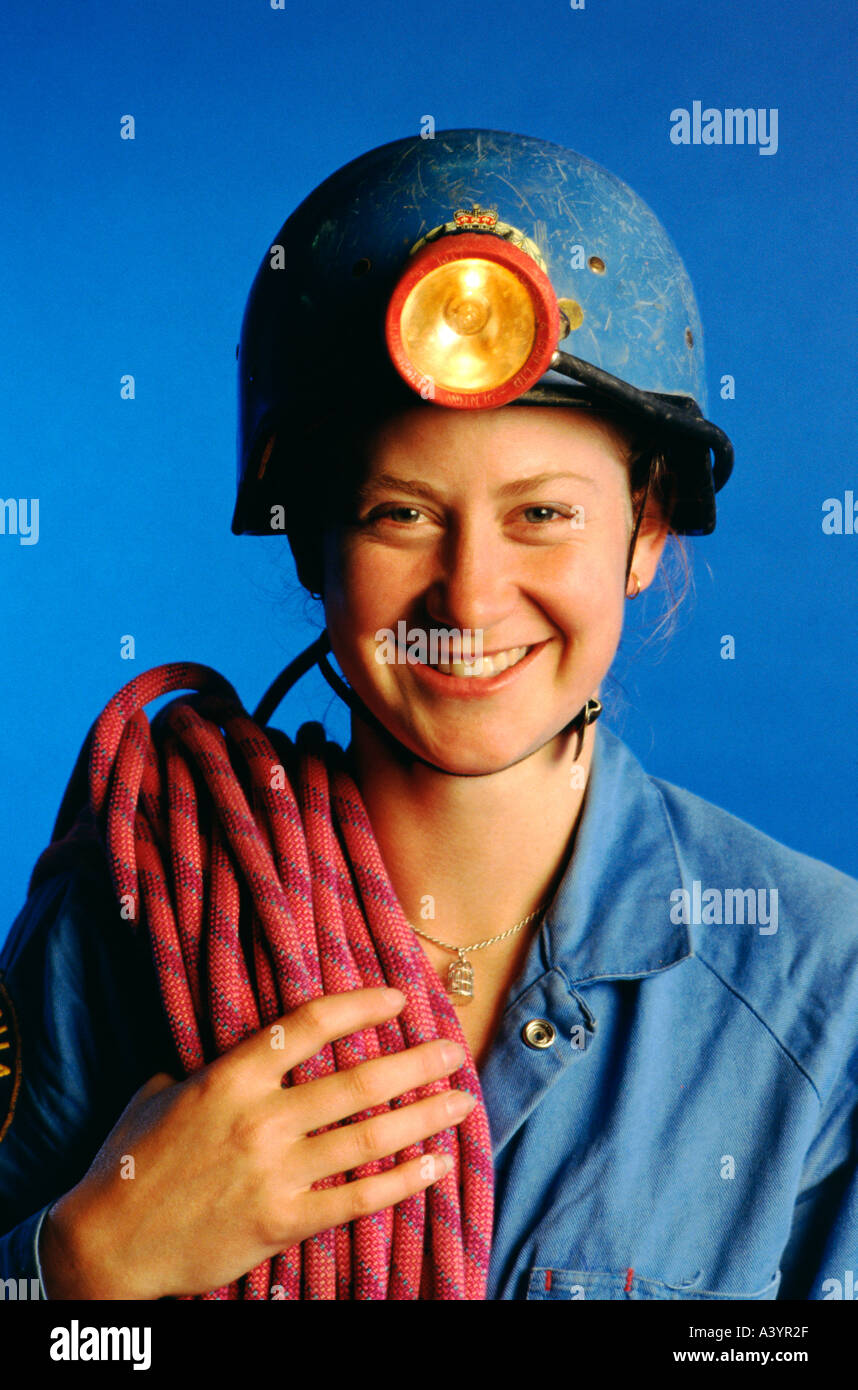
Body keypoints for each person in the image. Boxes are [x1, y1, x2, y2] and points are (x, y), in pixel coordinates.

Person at [1, 129, 856, 1302]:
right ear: (309, 538)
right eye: (400, 513)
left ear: (648, 532)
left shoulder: (821, 986)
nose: (471, 594)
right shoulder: (120, 909)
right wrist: (77, 1275)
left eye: (543, 514)